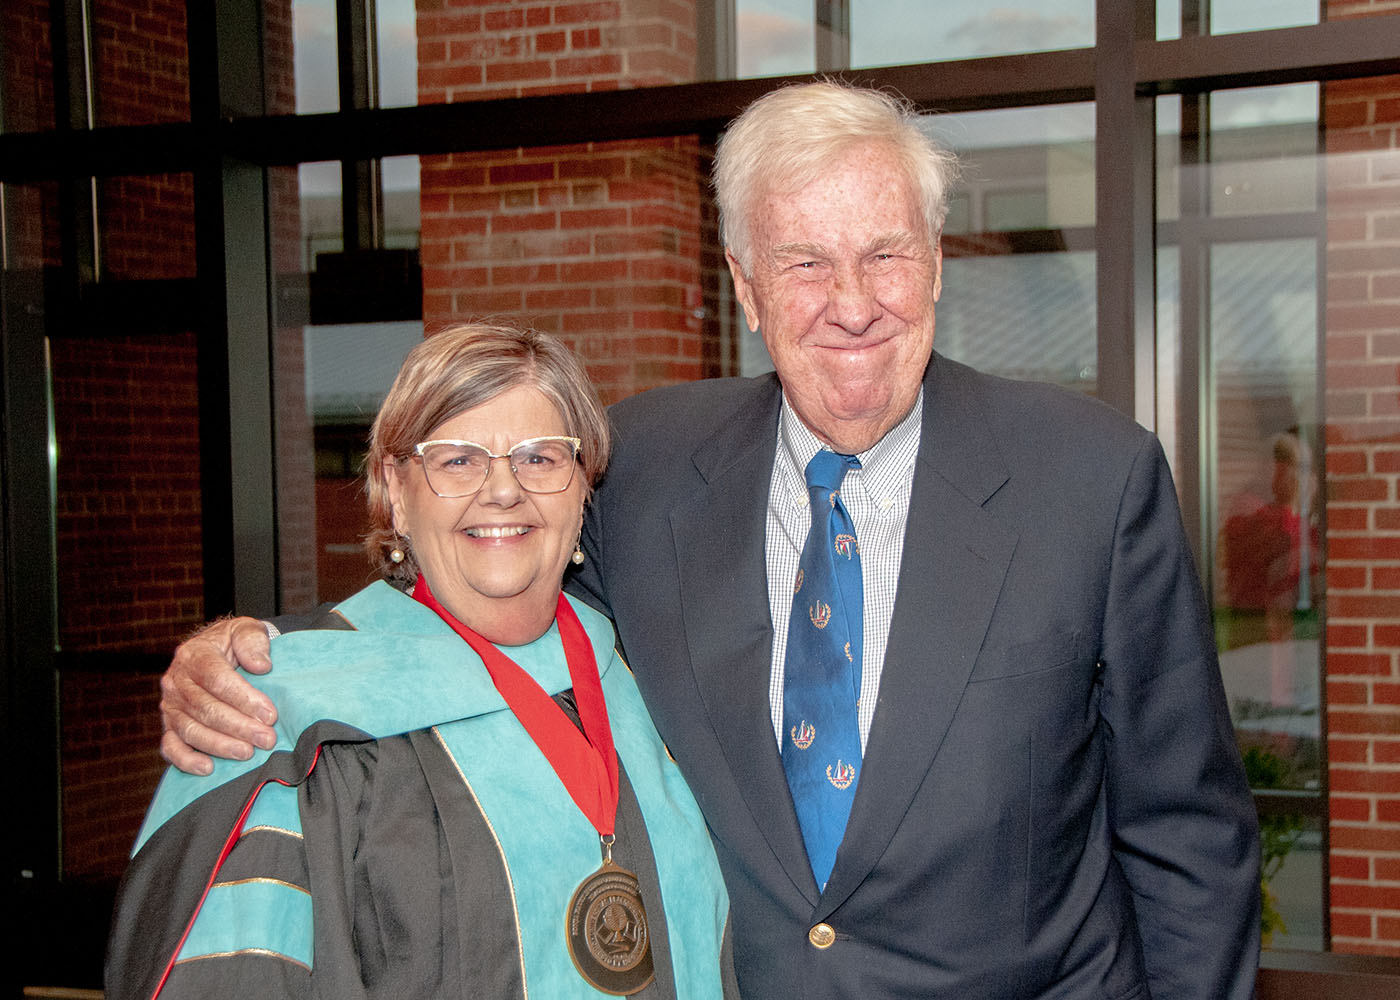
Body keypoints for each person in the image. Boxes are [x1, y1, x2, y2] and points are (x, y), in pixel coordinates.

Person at [156, 82, 1261, 999]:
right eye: (803, 263)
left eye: (884, 253)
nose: (852, 302)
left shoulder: (1091, 477)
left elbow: (1186, 842)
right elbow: (481, 588)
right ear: (743, 285)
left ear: (934, 260)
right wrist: (261, 659)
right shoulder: (640, 465)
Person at [107, 325, 737, 1000]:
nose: (503, 490)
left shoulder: (644, 673)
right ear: (395, 490)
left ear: (585, 487)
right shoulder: (287, 727)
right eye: (458, 460)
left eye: (541, 458)